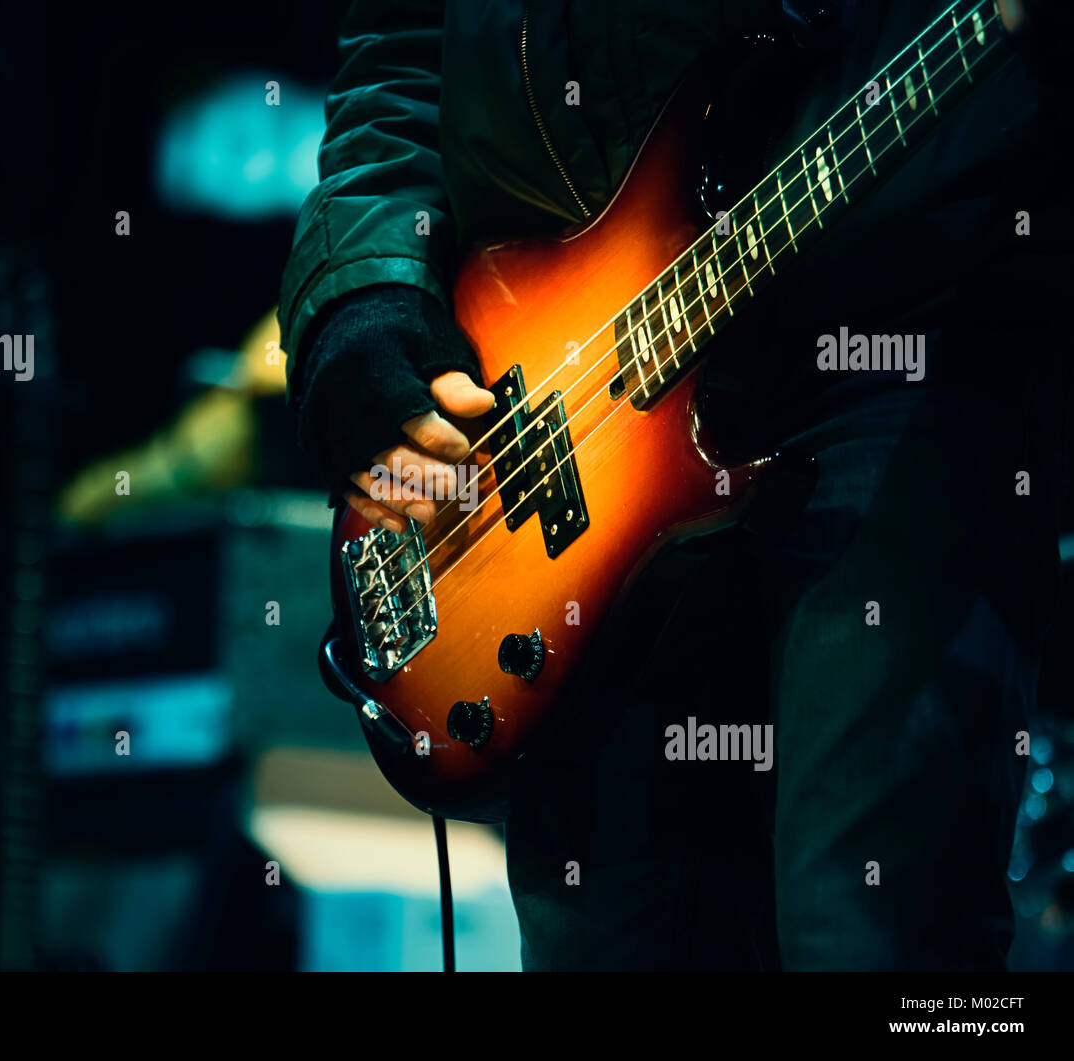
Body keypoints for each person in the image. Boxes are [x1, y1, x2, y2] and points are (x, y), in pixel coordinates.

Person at [279, 0, 1072, 969]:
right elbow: (396, 53)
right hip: (557, 397)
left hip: (900, 332)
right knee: (608, 939)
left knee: (873, 921)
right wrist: (363, 300)